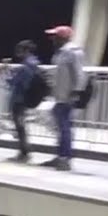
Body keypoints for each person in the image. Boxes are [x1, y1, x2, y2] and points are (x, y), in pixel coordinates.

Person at [44, 25, 86, 171]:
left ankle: (65, 158)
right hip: (59, 95)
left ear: (62, 37)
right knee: (60, 127)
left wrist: (76, 92)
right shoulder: (61, 52)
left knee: (65, 127)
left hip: (67, 96)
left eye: (55, 36)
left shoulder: (72, 52)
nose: (52, 38)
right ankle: (61, 155)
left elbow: (79, 73)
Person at [7, 40, 42, 163]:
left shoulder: (27, 65)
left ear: (26, 50)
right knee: (21, 126)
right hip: (25, 98)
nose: (18, 52)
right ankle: (24, 151)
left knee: (20, 126)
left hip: (20, 99)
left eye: (20, 49)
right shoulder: (35, 63)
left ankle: (24, 152)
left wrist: (9, 76)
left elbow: (17, 82)